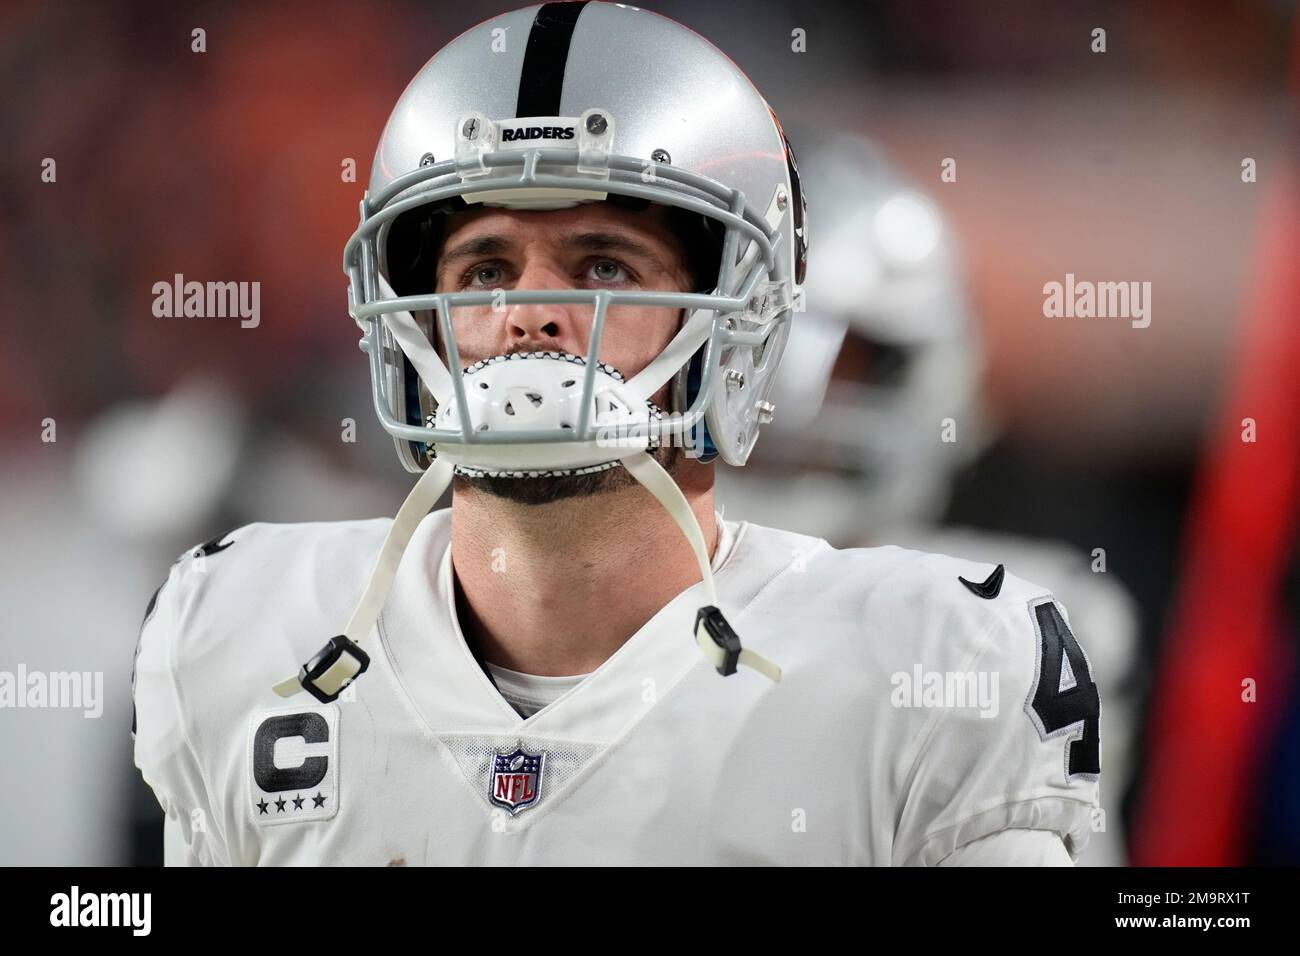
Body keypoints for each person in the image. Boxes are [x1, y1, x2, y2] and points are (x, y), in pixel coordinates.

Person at [133, 0, 1100, 866]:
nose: (529, 314)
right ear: (412, 318)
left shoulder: (921, 661)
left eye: (602, 266)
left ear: (741, 326)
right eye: (483, 268)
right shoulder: (244, 631)